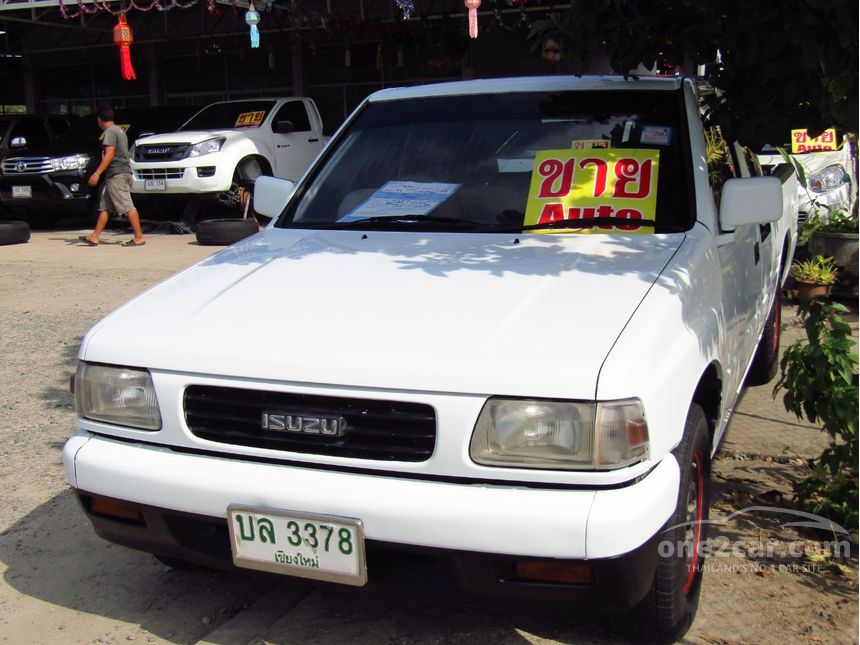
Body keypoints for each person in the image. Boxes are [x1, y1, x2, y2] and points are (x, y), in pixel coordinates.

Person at [79, 105, 145, 247]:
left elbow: (109, 155)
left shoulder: (110, 132)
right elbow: (126, 155)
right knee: (106, 207)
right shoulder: (120, 131)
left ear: (99, 120)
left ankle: (139, 236)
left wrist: (97, 173)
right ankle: (95, 236)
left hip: (117, 175)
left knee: (127, 205)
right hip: (119, 173)